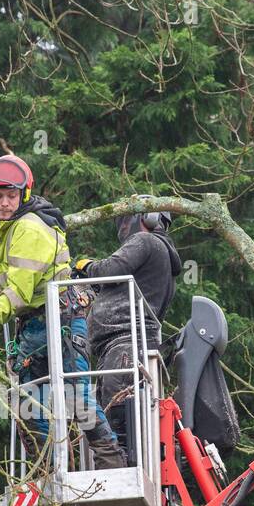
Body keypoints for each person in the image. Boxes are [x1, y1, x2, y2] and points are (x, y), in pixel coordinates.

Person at [0, 155, 126, 470]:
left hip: (61, 319)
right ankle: (47, 473)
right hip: (36, 322)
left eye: (11, 196)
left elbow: (20, 292)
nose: (4, 203)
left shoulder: (29, 227)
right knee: (27, 402)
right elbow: (28, 281)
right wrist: (9, 289)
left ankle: (112, 465)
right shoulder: (13, 226)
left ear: (23, 194)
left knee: (77, 397)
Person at [73, 196, 183, 466]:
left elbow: (110, 268)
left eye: (126, 218)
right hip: (121, 346)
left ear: (148, 218)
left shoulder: (146, 241)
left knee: (117, 407)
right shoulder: (158, 255)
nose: (123, 226)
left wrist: (84, 266)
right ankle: (117, 463)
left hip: (125, 343)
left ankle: (122, 466)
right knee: (110, 406)